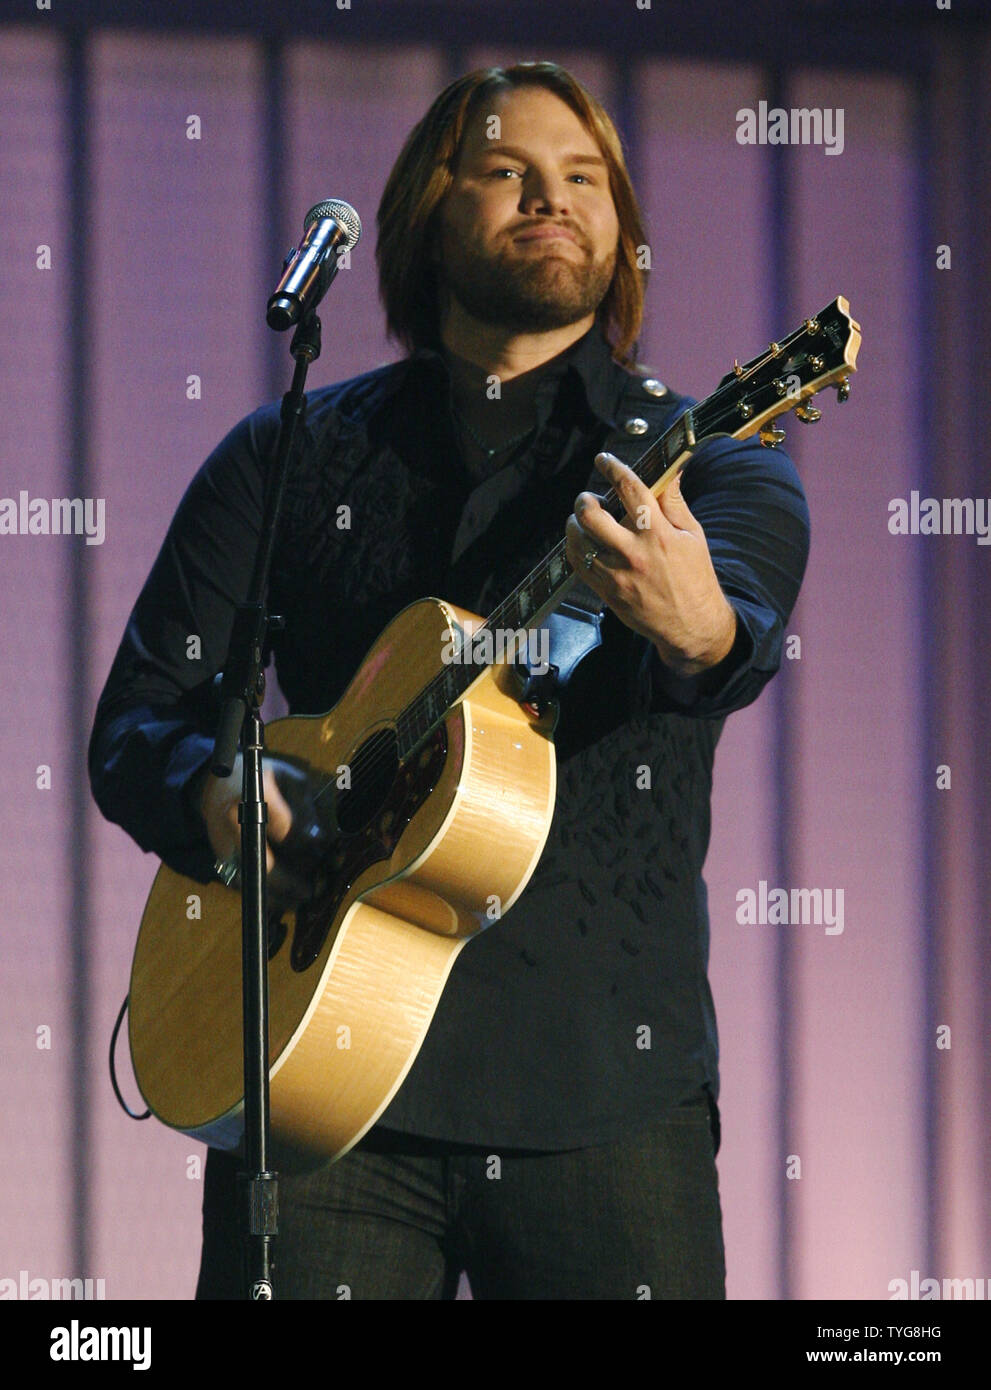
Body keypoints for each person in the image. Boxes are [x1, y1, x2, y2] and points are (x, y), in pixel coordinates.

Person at [89, 61, 810, 1300]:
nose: (552, 198)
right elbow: (141, 718)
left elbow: (730, 636)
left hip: (601, 1099)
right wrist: (217, 792)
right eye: (506, 170)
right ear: (429, 210)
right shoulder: (286, 455)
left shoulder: (709, 467)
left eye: (583, 178)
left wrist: (695, 624)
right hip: (314, 1078)